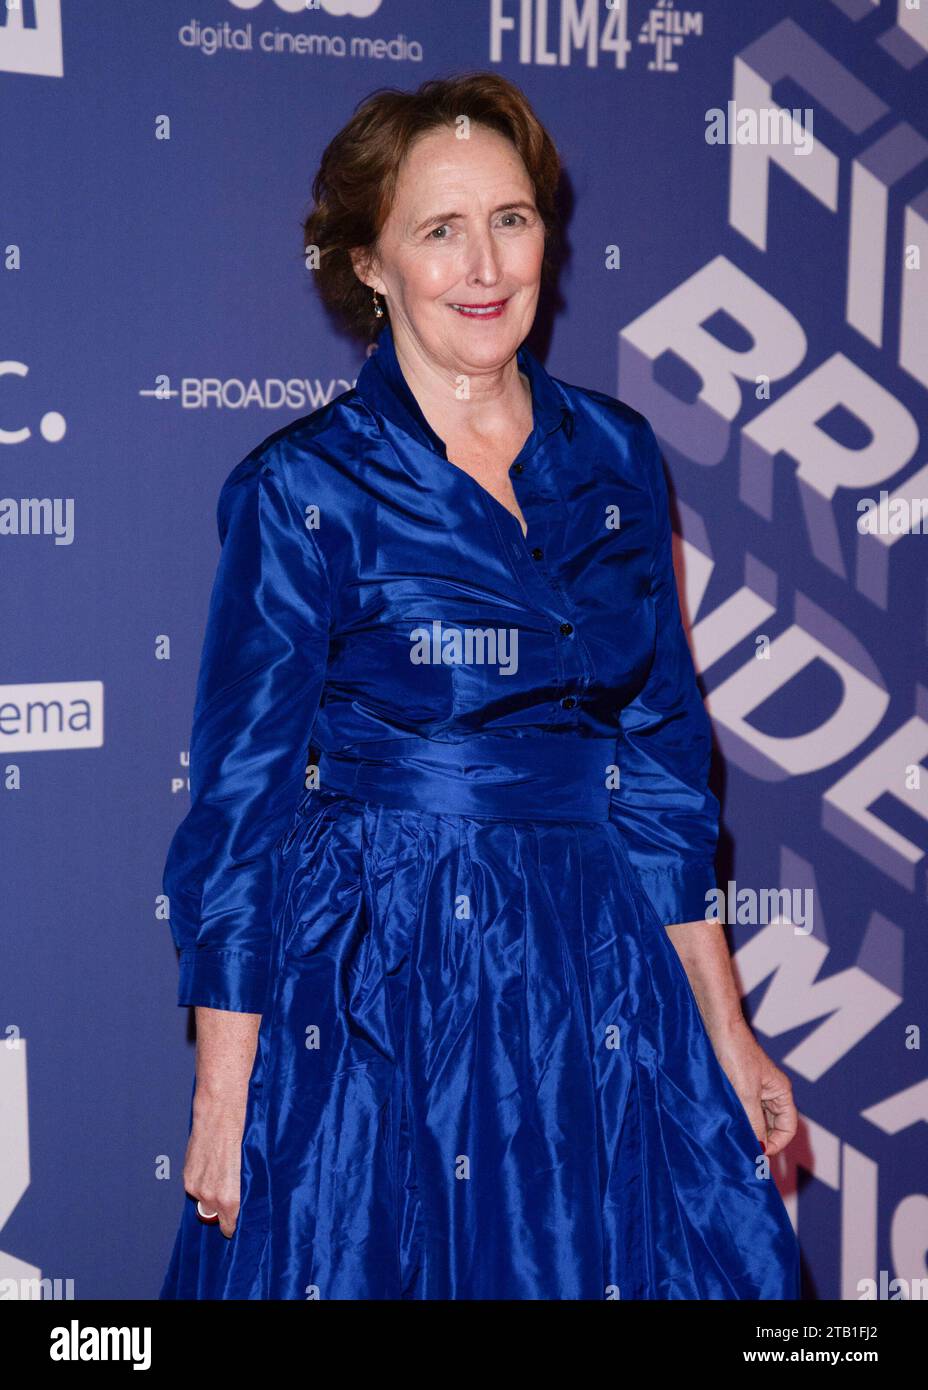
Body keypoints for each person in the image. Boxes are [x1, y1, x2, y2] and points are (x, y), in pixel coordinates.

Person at [159, 71, 800, 1301]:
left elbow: (663, 768)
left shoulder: (616, 455)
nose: (484, 262)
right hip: (382, 988)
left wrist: (728, 1029)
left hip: (596, 968)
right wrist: (223, 1092)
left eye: (510, 217)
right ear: (368, 263)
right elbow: (239, 812)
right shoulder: (303, 491)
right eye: (437, 229)